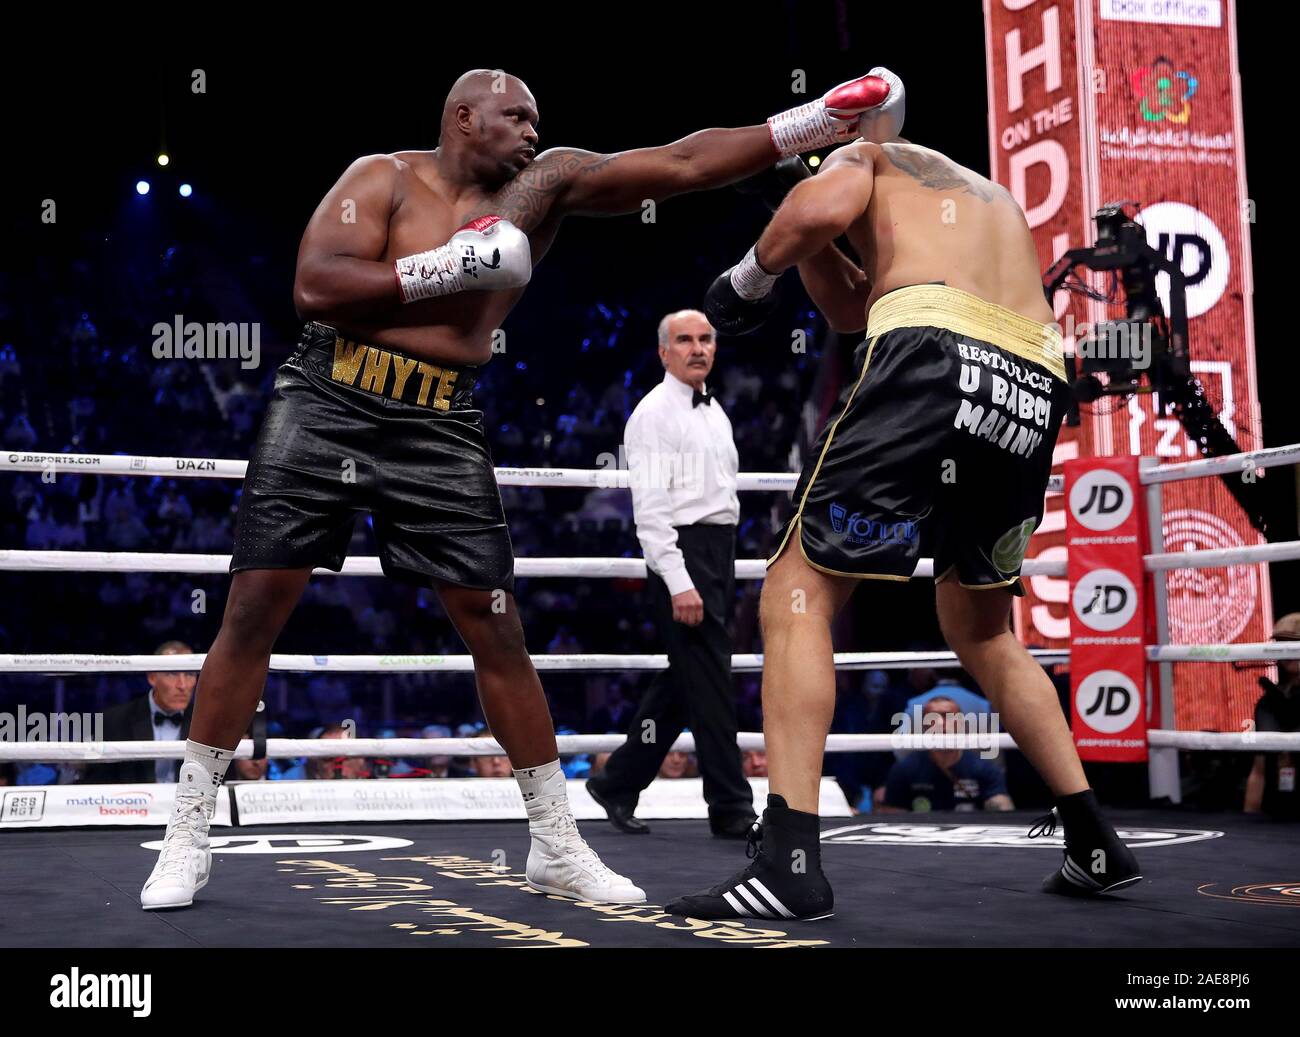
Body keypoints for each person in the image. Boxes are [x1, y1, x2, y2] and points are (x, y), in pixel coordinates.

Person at [140, 66, 902, 911]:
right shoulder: (381, 178)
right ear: (464, 117)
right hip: (326, 398)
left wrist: (810, 122)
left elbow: (683, 163)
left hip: (439, 414)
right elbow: (316, 288)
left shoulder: (543, 187)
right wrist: (447, 268)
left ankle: (554, 842)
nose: (534, 130)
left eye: (538, 118)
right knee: (253, 607)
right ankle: (187, 833)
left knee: (496, 624)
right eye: (516, 116)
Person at [670, 119, 1141, 921]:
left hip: (933, 351)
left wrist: (745, 280)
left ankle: (787, 862)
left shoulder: (871, 153)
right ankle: (1094, 838)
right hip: (1031, 380)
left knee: (797, 590)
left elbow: (816, 214)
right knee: (984, 626)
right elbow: (855, 309)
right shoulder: (981, 196)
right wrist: (810, 239)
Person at [586, 309, 755, 838]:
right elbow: (652, 509)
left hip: (718, 550)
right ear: (663, 351)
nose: (698, 348)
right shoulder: (653, 414)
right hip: (684, 553)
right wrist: (679, 579)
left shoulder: (714, 410)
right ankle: (731, 808)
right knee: (711, 684)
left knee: (688, 681)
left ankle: (617, 782)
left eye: (706, 339)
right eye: (685, 340)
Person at [81, 641, 195, 786]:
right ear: (152, 677)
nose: (182, 685)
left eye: (190, 674)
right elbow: (98, 783)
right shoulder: (114, 720)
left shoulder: (207, 722)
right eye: (172, 674)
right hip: (132, 805)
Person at [877, 696, 1014, 812]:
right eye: (932, 718)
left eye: (948, 716)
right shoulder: (904, 769)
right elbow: (893, 819)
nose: (940, 723)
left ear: (962, 724)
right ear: (923, 726)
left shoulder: (984, 769)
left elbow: (1002, 810)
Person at [1244, 613, 1300, 819]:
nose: (1288, 652)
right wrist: (1248, 817)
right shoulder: (1268, 703)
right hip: (1275, 812)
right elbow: (1258, 768)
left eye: (1294, 644)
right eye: (1282, 644)